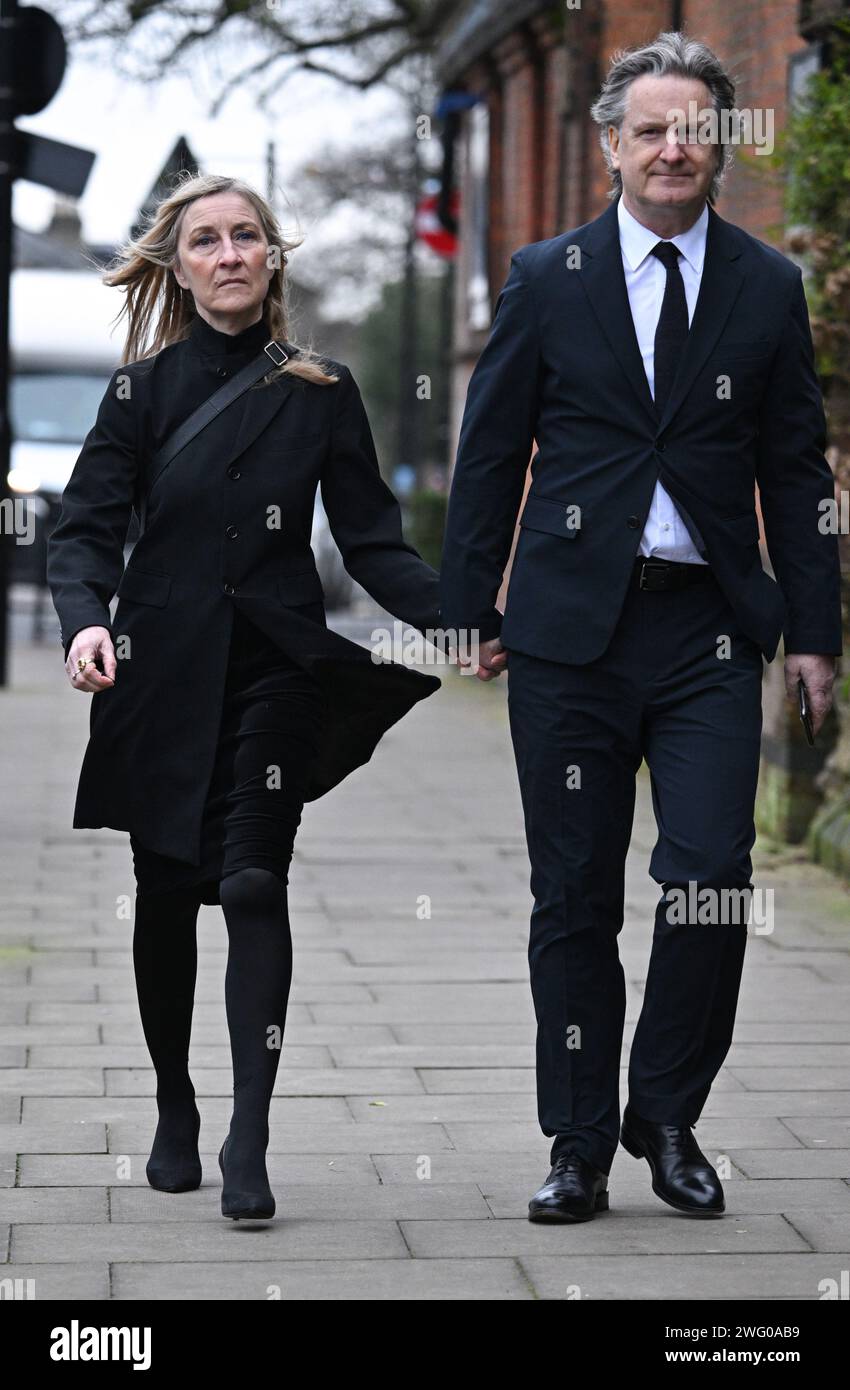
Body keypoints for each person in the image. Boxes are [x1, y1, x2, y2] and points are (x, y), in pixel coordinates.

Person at [440, 31, 842, 1223]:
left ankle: (664, 1115)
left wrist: (812, 631)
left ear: (719, 147)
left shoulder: (767, 284)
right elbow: (487, 454)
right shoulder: (543, 276)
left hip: (709, 632)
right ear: (612, 146)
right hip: (569, 634)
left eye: (695, 130)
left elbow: (794, 466)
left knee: (711, 874)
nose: (674, 148)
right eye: (651, 129)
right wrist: (468, 612)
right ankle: (575, 1143)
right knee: (571, 894)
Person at [46, 172, 441, 1222]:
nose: (229, 253)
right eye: (207, 241)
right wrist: (87, 618)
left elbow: (371, 543)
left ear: (273, 256)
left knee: (255, 883)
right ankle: (175, 1103)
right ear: (178, 268)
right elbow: (84, 527)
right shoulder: (141, 394)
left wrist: (469, 616)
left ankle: (247, 1131)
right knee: (169, 892)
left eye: (247, 237)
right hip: (158, 670)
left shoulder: (321, 390)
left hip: (275, 662)